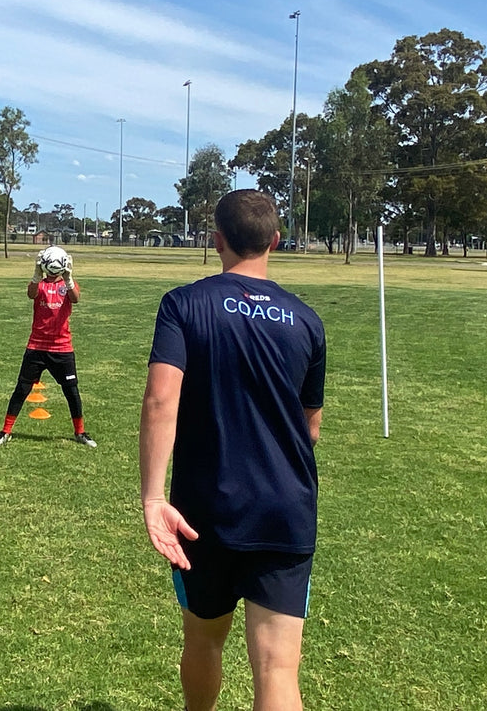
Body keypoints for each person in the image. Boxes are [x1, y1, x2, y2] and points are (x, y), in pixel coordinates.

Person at [138, 190, 327, 711]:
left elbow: (160, 400)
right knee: (278, 669)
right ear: (276, 240)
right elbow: (311, 427)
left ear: (215, 239)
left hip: (206, 512)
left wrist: (153, 497)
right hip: (285, 510)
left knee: (202, 641)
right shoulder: (308, 320)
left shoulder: (184, 303)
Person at [0, 249, 94, 449]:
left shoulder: (67, 285)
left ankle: (80, 432)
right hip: (37, 346)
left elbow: (76, 298)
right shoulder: (40, 285)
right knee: (21, 389)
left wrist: (69, 278)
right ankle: (6, 431)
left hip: (62, 347)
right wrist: (36, 275)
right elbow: (31, 294)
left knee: (71, 391)